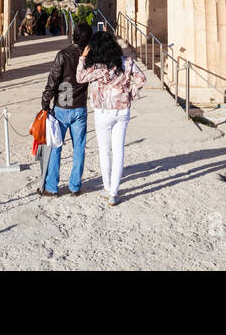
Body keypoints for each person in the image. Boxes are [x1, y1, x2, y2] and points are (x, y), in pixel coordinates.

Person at [76, 31, 146, 206]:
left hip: (103, 111)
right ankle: (114, 192)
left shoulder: (99, 67)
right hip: (122, 110)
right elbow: (141, 79)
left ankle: (107, 187)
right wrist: (130, 93)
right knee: (119, 151)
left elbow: (80, 77)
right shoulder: (127, 62)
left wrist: (82, 58)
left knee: (104, 150)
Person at [37, 22, 92, 197]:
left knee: (55, 147)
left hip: (62, 106)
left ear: (73, 35)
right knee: (79, 148)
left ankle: (52, 186)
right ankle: (75, 186)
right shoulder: (91, 57)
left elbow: (53, 80)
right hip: (80, 107)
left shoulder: (63, 55)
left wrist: (45, 102)